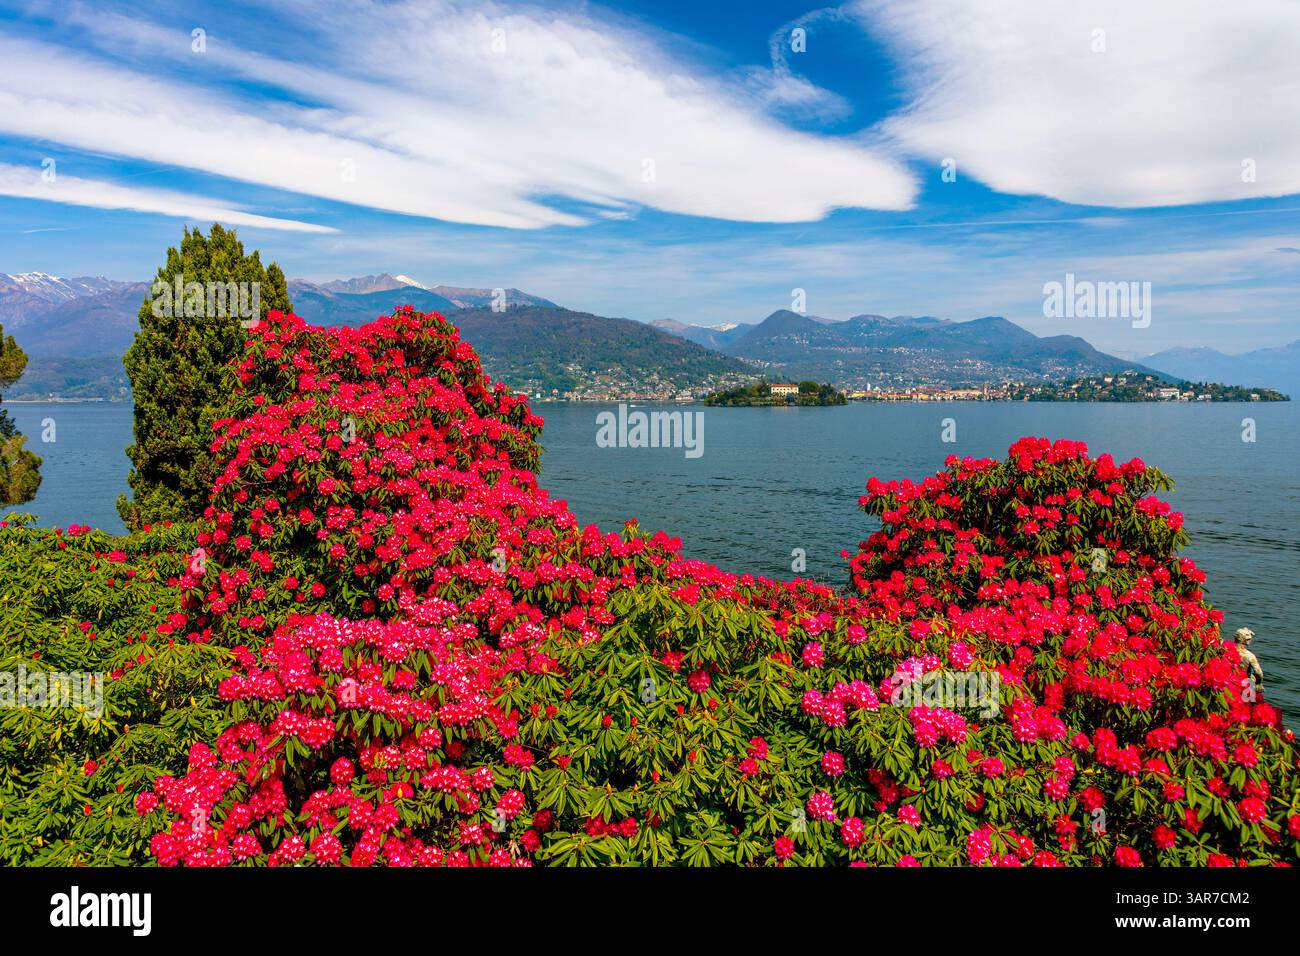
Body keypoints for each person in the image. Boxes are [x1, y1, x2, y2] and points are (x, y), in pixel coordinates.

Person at [1234, 627, 1264, 692]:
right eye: (1247, 636)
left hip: (1227, 681)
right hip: (1243, 685)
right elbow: (1259, 673)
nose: (1250, 638)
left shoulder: (1225, 648)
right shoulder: (1250, 656)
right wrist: (1258, 684)